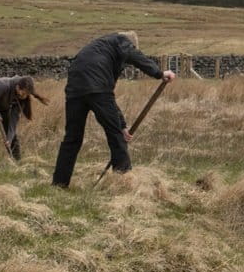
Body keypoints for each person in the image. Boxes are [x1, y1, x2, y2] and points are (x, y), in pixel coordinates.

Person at [50, 31, 176, 188]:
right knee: (115, 136)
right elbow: (105, 91)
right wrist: (159, 73)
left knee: (72, 138)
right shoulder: (121, 41)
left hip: (74, 89)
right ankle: (124, 181)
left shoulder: (100, 48)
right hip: (97, 88)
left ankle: (59, 183)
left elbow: (108, 96)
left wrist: (122, 125)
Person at [0, 75, 48, 166]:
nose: (25, 96)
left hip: (3, 108)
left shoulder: (22, 98)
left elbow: (13, 120)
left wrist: (9, 138)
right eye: (24, 93)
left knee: (12, 135)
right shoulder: (3, 86)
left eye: (27, 94)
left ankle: (18, 162)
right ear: (18, 87)